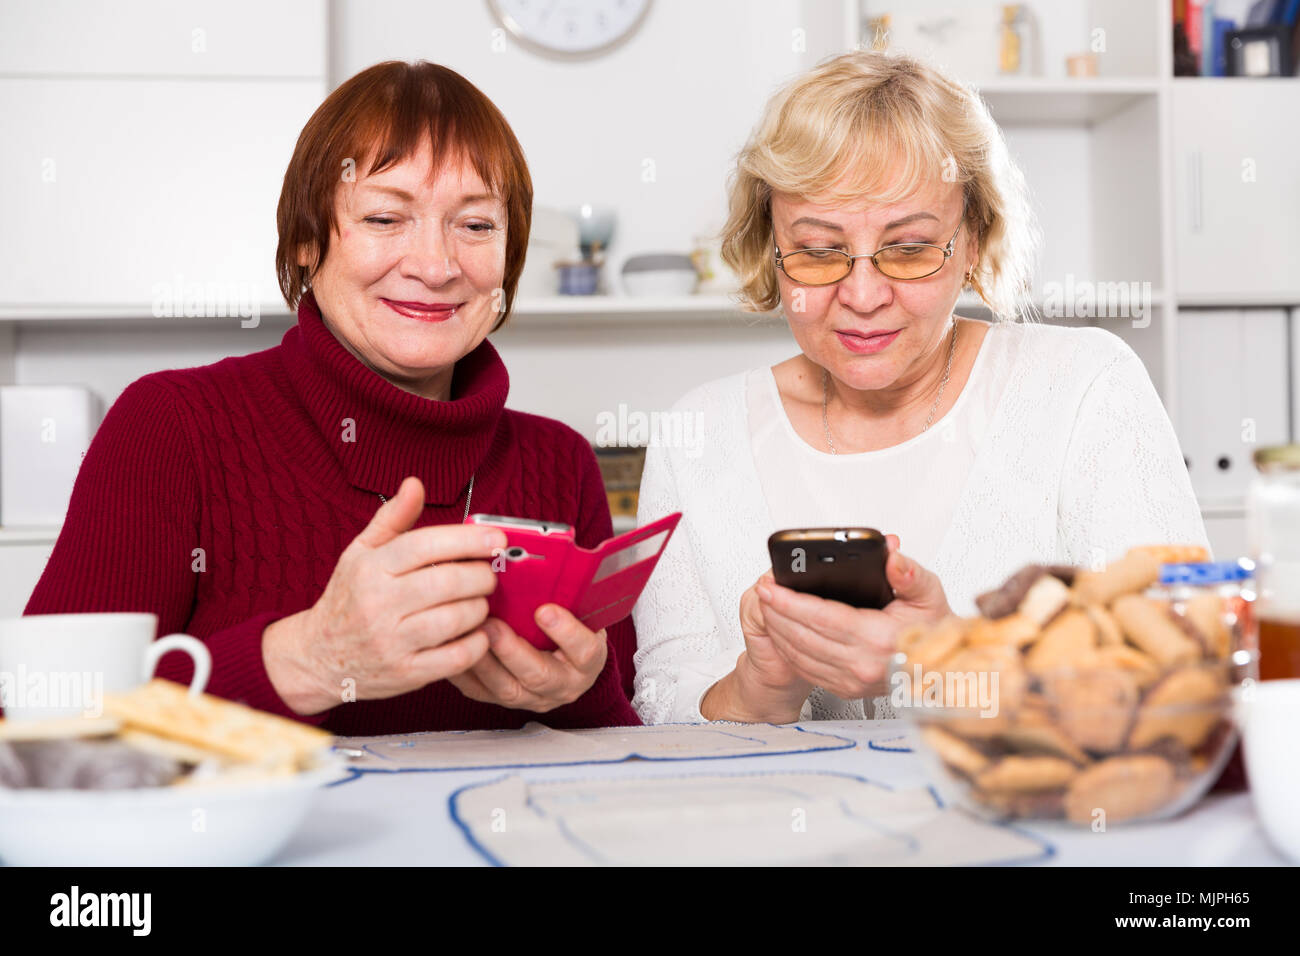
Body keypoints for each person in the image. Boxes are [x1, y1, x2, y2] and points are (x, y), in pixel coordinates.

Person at [24, 61, 641, 731]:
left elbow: (620, 755)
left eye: (476, 226)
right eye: (384, 216)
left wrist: (575, 691)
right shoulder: (172, 427)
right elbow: (40, 710)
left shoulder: (561, 462)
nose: (435, 266)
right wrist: (308, 660)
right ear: (305, 244)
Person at [630, 51, 1209, 725]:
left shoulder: (1084, 388)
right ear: (770, 249)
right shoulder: (697, 434)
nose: (865, 295)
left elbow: (1185, 676)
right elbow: (664, 708)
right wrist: (761, 686)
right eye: (818, 252)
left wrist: (944, 660)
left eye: (909, 249)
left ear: (974, 242)